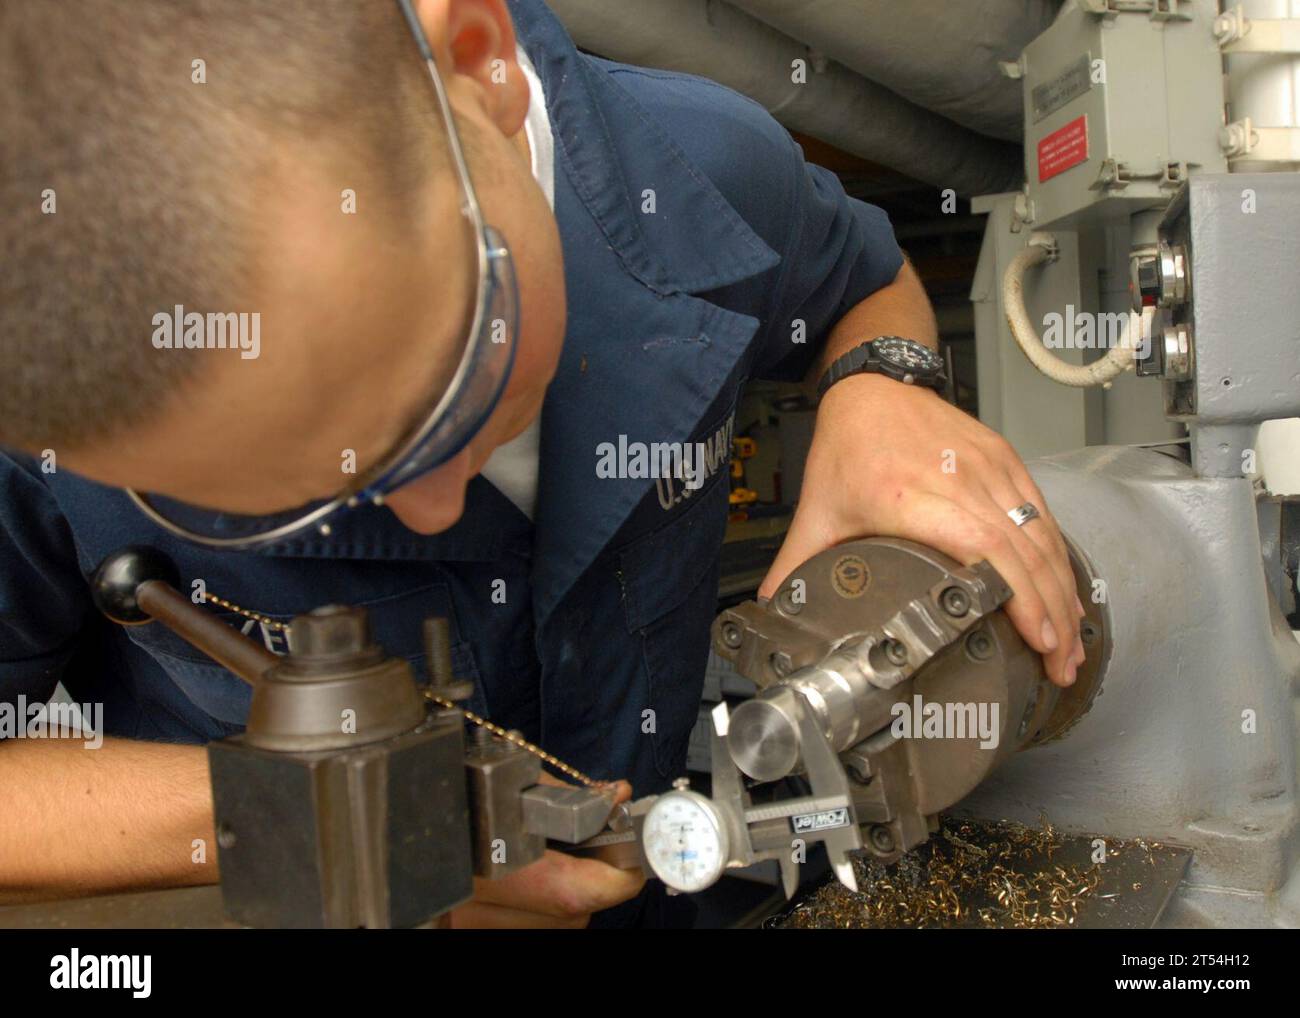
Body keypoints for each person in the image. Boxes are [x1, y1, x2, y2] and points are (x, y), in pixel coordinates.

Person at [0, 0, 1085, 927]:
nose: (430, 511)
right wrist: (315, 821)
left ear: (478, 63)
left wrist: (883, 380)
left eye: (449, 389)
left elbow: (862, 280)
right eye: (288, 505)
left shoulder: (701, 166)